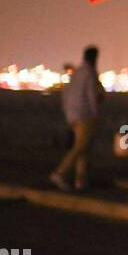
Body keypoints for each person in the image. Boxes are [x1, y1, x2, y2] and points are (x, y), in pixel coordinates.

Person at [50, 45, 105, 191]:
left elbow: (66, 93)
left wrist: (68, 112)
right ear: (95, 58)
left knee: (83, 147)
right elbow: (92, 95)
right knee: (80, 146)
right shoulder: (90, 73)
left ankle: (80, 180)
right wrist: (95, 114)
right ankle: (59, 173)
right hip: (84, 115)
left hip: (72, 114)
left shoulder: (77, 72)